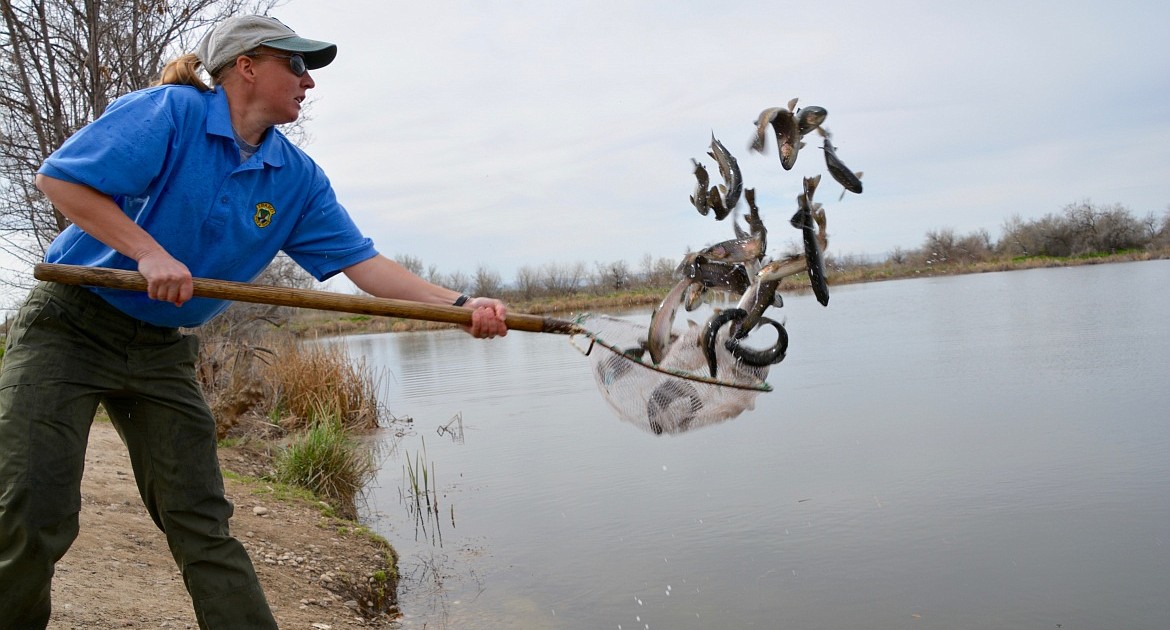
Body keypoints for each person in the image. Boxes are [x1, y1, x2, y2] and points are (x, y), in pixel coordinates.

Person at [0, 14, 508, 628]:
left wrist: (458, 308)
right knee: (34, 512)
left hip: (160, 347)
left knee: (202, 522)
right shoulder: (171, 113)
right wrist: (147, 251)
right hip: (69, 326)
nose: (309, 82)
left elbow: (365, 265)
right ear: (246, 66)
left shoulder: (295, 179)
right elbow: (60, 179)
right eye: (296, 65)